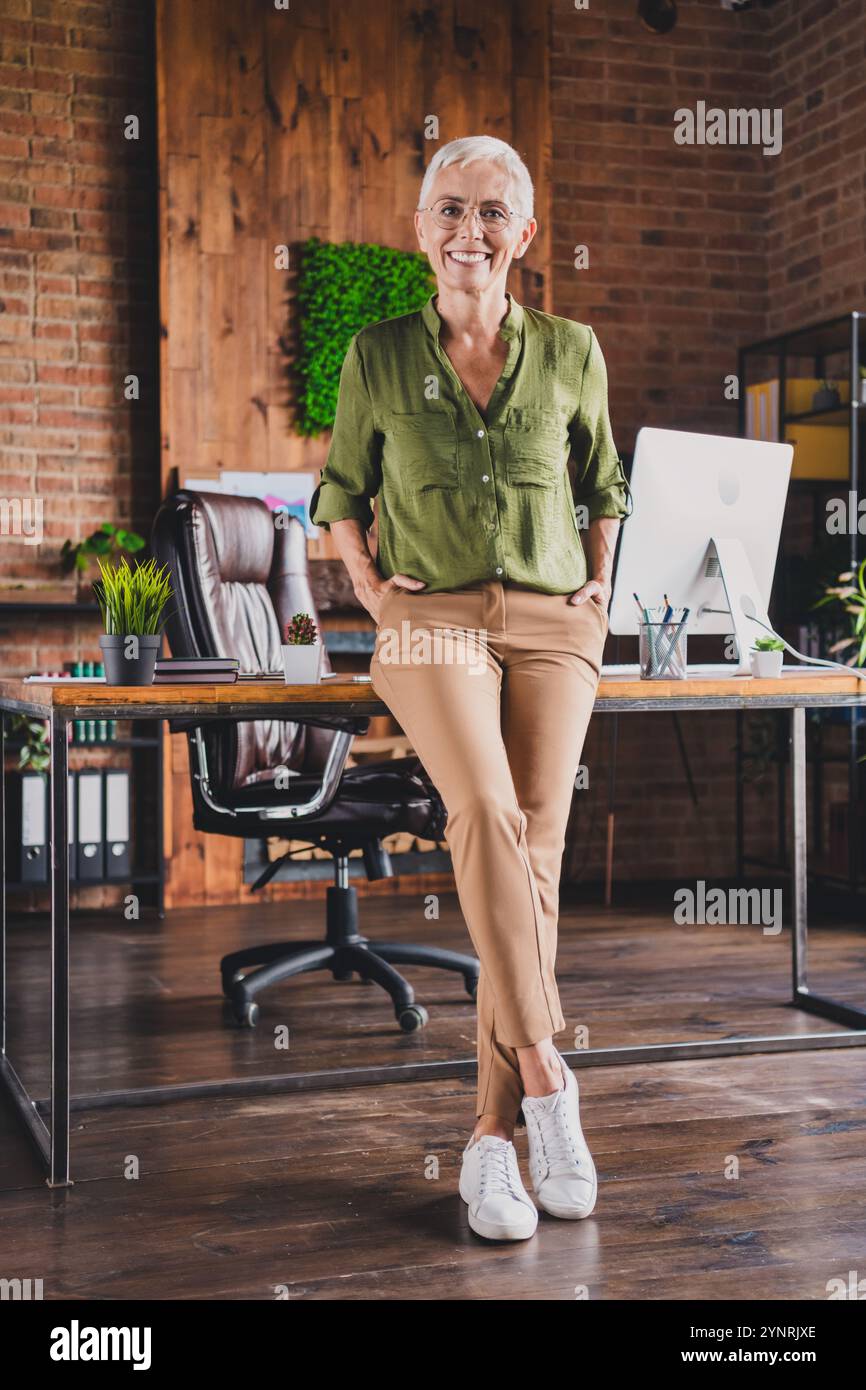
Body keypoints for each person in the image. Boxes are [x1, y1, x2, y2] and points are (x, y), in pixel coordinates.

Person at [309, 135, 631, 1242]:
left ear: (525, 236)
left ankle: (490, 1142)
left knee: (531, 859)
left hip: (551, 624)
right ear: (420, 229)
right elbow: (339, 489)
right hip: (431, 618)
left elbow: (606, 480)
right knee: (485, 814)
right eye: (449, 209)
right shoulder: (377, 353)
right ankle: (548, 1074)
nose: (469, 230)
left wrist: (596, 583)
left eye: (493, 213)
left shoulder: (574, 349)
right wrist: (369, 590)